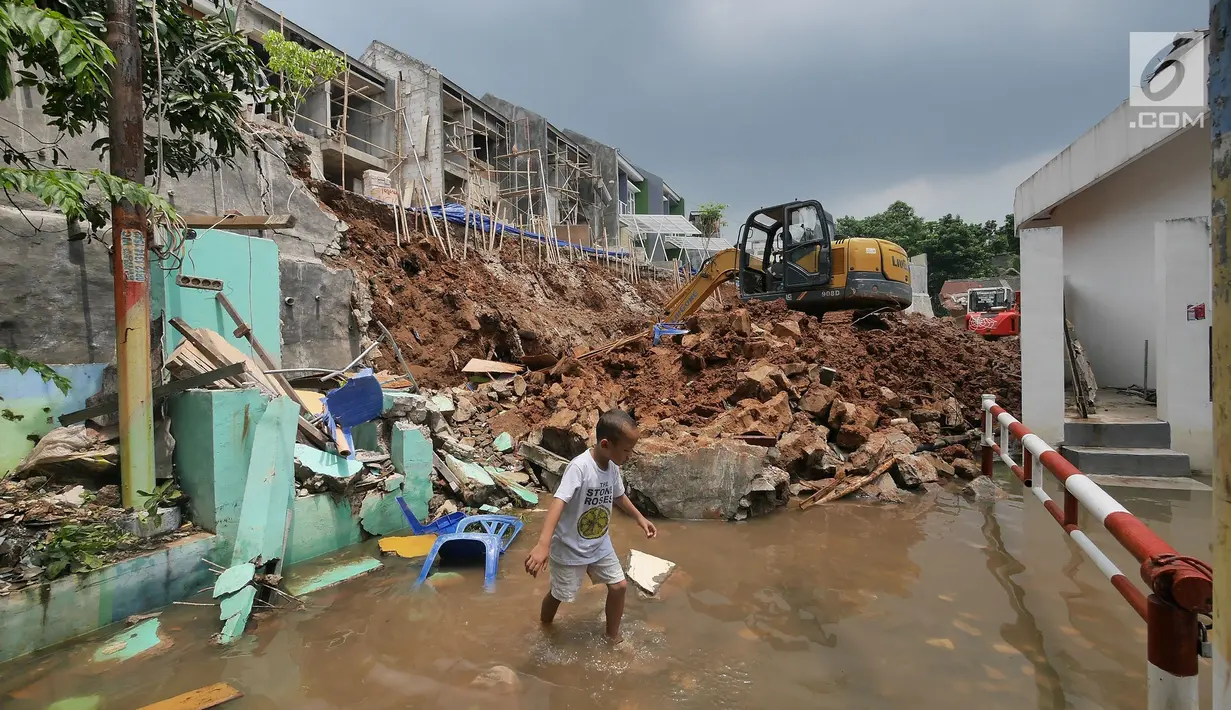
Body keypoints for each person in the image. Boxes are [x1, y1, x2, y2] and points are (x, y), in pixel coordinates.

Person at [523, 409, 656, 645]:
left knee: (619, 586)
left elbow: (618, 495)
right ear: (605, 444)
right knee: (559, 594)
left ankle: (612, 638)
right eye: (626, 450)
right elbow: (558, 502)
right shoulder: (580, 468)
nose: (629, 456)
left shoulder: (612, 467)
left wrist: (639, 517)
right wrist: (543, 544)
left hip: (599, 543)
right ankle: (545, 628)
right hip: (570, 546)